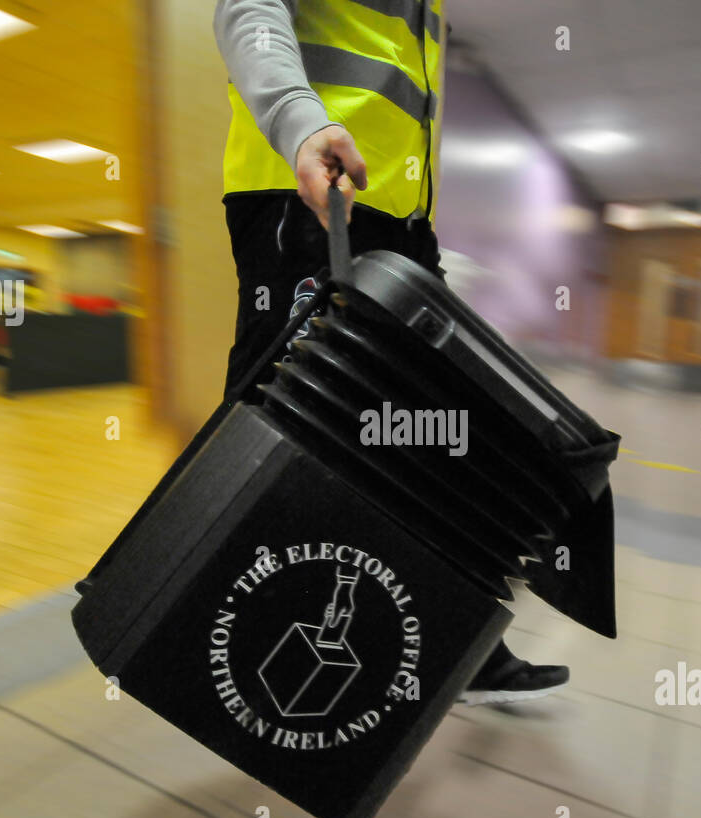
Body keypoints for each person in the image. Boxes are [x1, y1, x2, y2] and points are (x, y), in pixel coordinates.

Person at [214, 0, 569, 704]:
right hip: (307, 183)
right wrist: (300, 120)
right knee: (284, 416)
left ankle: (454, 635)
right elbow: (246, 8)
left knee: (430, 429)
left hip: (397, 214)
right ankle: (221, 616)